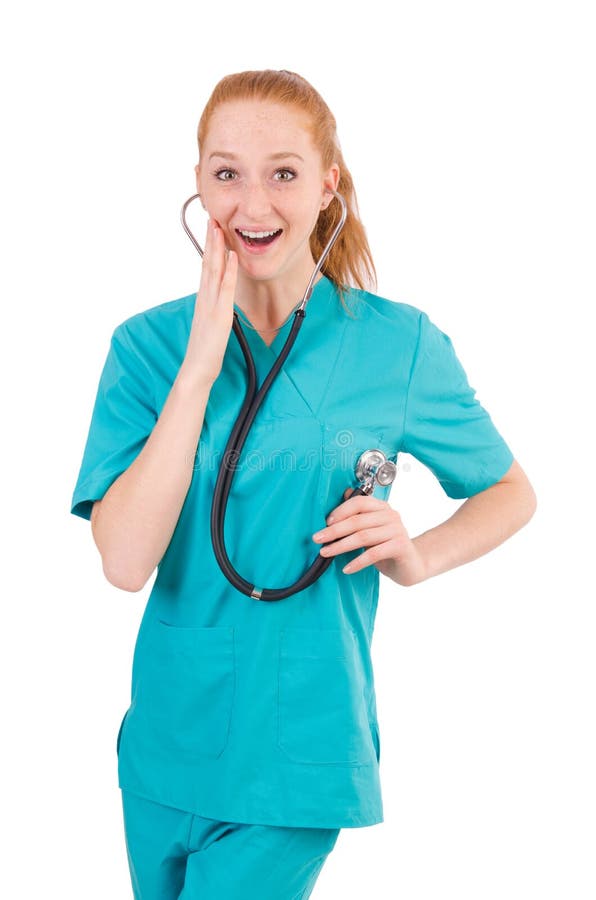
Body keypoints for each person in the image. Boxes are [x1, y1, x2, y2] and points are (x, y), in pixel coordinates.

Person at [70, 69, 537, 899]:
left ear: (329, 187)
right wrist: (202, 360)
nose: (253, 205)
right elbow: (124, 560)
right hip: (166, 742)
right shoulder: (146, 348)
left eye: (283, 173)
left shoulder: (398, 346)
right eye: (227, 174)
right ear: (198, 187)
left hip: (297, 752)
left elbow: (509, 493)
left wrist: (418, 555)